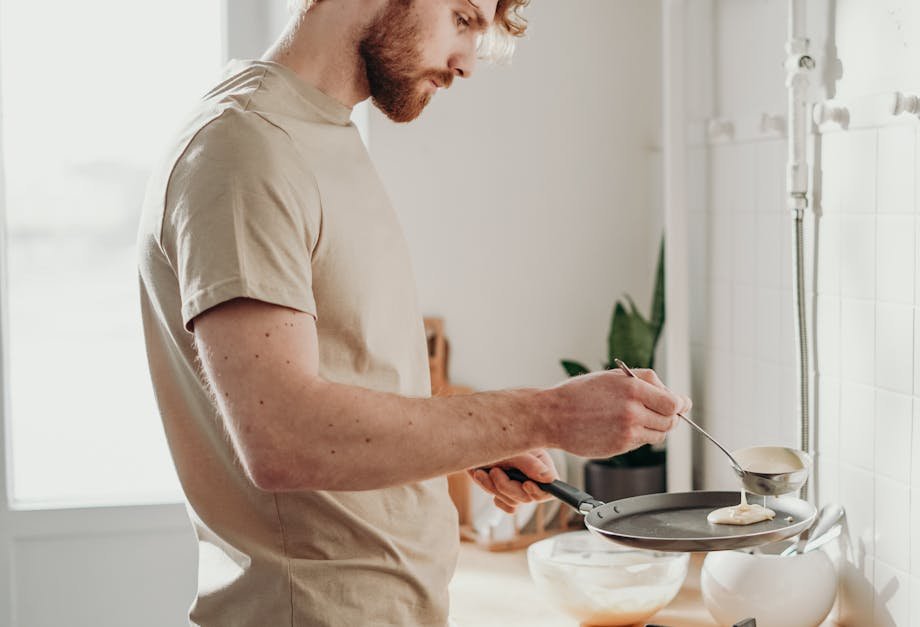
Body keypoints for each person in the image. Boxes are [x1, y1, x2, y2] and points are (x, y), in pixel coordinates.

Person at [135, 0, 690, 625]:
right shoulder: (246, 148)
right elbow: (283, 437)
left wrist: (478, 441)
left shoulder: (319, 131)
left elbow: (349, 380)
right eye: (462, 18)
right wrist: (548, 414)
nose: (467, 63)